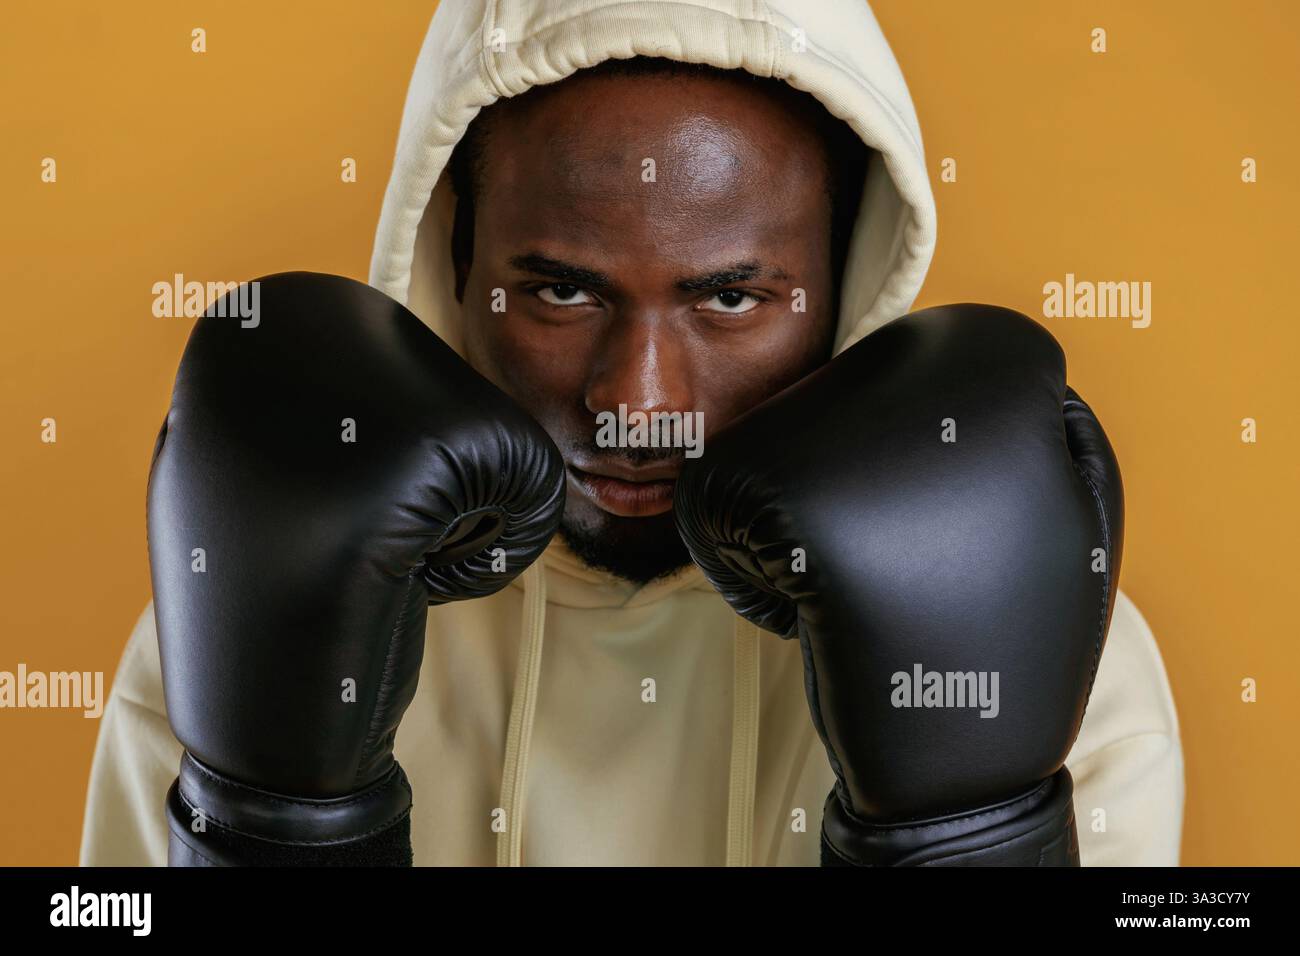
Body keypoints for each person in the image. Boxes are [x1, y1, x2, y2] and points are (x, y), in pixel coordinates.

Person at [81, 0, 1183, 866]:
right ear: (452, 266)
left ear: (843, 290)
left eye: (731, 300)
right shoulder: (256, 604)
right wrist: (281, 834)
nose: (637, 398)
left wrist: (965, 839)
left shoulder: (1042, 629)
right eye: (561, 293)